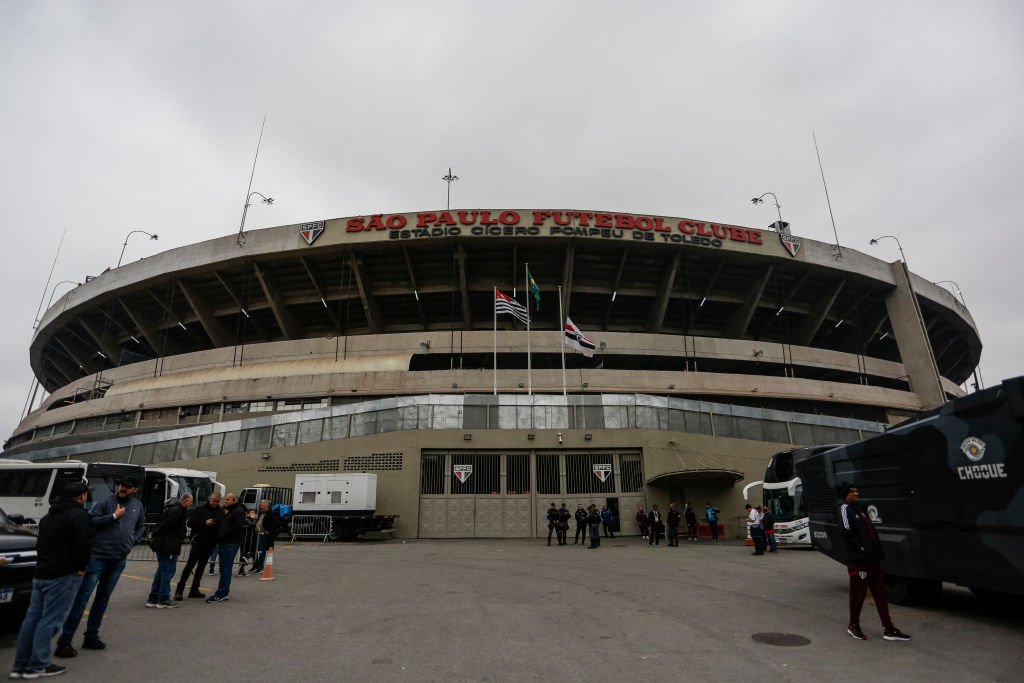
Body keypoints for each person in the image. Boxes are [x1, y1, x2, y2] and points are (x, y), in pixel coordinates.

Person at [56, 476, 146, 658]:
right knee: (82, 598)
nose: (123, 488)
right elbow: (91, 521)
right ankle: (64, 641)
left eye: (128, 487)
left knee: (103, 598)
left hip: (118, 559)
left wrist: (132, 540)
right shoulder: (106, 502)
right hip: (97, 557)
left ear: (134, 489)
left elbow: (141, 526)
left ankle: (91, 635)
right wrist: (113, 517)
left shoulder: (138, 506)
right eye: (122, 485)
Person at [11, 482, 91, 679]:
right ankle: (39, 663)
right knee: (51, 619)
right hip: (63, 574)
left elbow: (41, 544)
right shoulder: (80, 516)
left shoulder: (49, 517)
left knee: (32, 619)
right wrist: (81, 567)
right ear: (81, 496)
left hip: (42, 573)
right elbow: (82, 546)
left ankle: (21, 664)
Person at [837, 484, 911, 641]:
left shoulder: (860, 510)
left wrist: (877, 552)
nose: (856, 493)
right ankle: (853, 625)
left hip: (872, 560)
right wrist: (861, 548)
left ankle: (889, 628)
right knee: (858, 594)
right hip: (858, 561)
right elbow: (846, 532)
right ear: (845, 494)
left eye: (857, 490)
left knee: (881, 594)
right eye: (853, 491)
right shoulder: (844, 509)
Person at [174, 492, 224, 601]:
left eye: (216, 502)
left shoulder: (220, 511)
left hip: (210, 543)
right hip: (198, 542)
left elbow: (222, 522)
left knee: (201, 567)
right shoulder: (200, 509)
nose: (214, 503)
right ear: (209, 499)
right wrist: (204, 522)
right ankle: (179, 590)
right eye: (213, 501)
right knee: (190, 566)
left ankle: (194, 589)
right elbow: (190, 522)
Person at [146, 493, 193, 608]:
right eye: (190, 501)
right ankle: (163, 599)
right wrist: (157, 534)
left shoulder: (172, 509)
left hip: (166, 543)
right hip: (169, 545)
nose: (191, 504)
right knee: (168, 571)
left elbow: (162, 525)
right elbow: (165, 526)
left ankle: (154, 598)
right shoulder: (177, 511)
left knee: (162, 571)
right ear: (185, 501)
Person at [206, 492, 247, 603]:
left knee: (225, 569)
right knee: (224, 568)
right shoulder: (231, 510)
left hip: (230, 543)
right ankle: (223, 592)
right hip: (226, 542)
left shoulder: (238, 511)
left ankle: (221, 593)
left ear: (234, 500)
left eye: (228, 499)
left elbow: (238, 526)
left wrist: (224, 534)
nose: (225, 501)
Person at [251, 499, 282, 572]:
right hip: (257, 534)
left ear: (267, 506)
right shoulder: (261, 513)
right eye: (260, 505)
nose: (260, 506)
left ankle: (260, 567)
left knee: (261, 551)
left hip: (264, 535)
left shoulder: (272, 513)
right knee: (256, 551)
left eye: (262, 505)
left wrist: (269, 531)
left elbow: (277, 524)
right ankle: (255, 566)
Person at [237, 508, 257, 577]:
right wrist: (254, 519)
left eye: (254, 512)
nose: (253, 514)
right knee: (243, 554)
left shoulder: (251, 519)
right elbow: (252, 524)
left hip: (250, 539)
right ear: (248, 513)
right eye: (252, 512)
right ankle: (240, 571)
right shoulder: (246, 519)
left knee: (250, 553)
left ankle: (241, 570)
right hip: (245, 540)